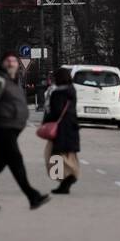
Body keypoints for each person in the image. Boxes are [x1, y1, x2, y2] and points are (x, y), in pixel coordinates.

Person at [0, 50, 50, 210]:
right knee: (16, 161)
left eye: (14, 61)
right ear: (3, 63)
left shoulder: (12, 80)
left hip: (10, 127)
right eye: (8, 61)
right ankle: (32, 195)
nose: (11, 63)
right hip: (2, 127)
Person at [42, 66, 80, 194]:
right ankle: (65, 182)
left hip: (59, 130)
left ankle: (67, 178)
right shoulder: (72, 91)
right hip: (71, 128)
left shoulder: (58, 93)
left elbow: (56, 112)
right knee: (68, 156)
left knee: (52, 156)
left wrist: (46, 122)